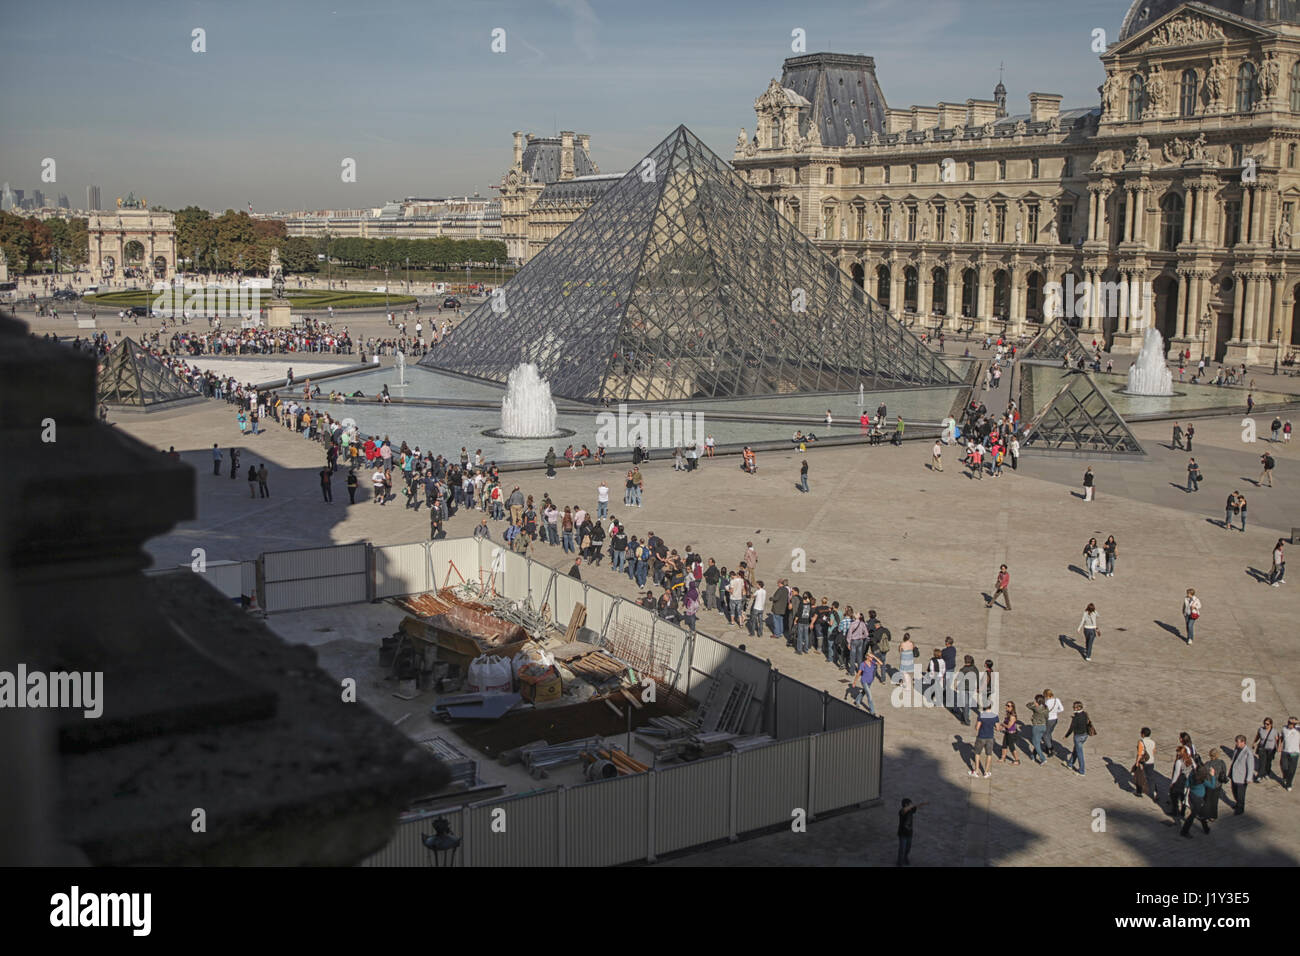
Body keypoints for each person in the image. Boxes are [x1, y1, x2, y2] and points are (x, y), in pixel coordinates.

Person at [1179, 763, 1216, 837]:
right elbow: (1212, 786)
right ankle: (1184, 831)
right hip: (1199, 799)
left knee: (1201, 812)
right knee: (1193, 815)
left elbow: (1186, 784)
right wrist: (1212, 775)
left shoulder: (1191, 776)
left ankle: (1206, 829)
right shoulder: (1203, 781)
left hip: (1192, 795)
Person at [1229, 735, 1256, 815]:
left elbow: (1250, 766)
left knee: (1241, 794)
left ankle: (1240, 808)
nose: (1236, 744)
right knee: (1234, 791)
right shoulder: (1237, 749)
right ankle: (1238, 804)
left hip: (1242, 776)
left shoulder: (1248, 752)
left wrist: (1249, 778)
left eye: (1237, 742)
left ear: (1243, 742)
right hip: (1234, 774)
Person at [971, 703, 999, 778]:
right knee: (989, 754)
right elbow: (997, 728)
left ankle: (976, 771)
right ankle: (986, 772)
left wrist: (976, 725)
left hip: (981, 737)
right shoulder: (995, 716)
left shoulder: (981, 715)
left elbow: (977, 727)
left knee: (977, 753)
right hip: (990, 737)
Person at [1063, 700, 1091, 775]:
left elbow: (1071, 728)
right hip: (1085, 735)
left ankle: (1081, 771)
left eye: (1074, 707)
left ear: (1078, 708)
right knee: (1076, 749)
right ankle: (1070, 764)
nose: (1073, 708)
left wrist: (1066, 735)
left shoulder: (1076, 717)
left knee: (1079, 754)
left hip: (1078, 737)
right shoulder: (1085, 714)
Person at [897, 798, 926, 866]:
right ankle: (899, 862)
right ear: (906, 804)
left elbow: (917, 806)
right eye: (910, 803)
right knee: (902, 849)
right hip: (903, 834)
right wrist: (911, 806)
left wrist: (923, 804)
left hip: (910, 833)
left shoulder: (911, 810)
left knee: (908, 848)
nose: (912, 804)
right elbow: (904, 810)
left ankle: (905, 857)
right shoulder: (902, 811)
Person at [1169, 746, 1195, 820]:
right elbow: (1195, 768)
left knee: (1174, 795)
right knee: (1184, 796)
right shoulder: (1190, 759)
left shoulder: (1179, 762)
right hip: (1188, 780)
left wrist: (1172, 783)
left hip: (1181, 780)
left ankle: (1175, 811)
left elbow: (1176, 774)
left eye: (1178, 752)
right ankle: (1183, 812)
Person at [1254, 718, 1279, 783]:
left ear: (1271, 724)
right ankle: (1259, 776)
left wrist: (1278, 747)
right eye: (1264, 723)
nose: (1265, 725)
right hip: (1262, 748)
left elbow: (1277, 740)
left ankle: (1267, 773)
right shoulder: (1261, 730)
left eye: (1267, 724)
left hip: (1271, 749)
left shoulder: (1274, 731)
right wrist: (1254, 743)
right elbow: (1258, 736)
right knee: (1262, 762)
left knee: (1268, 762)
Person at [1132, 728, 1155, 799]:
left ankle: (1139, 792)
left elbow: (1140, 753)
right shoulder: (1153, 742)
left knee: (1139, 777)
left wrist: (1137, 762)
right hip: (1151, 761)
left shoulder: (1141, 742)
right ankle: (1155, 792)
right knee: (1150, 777)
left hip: (1143, 762)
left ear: (1143, 734)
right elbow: (1153, 751)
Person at [1026, 695, 1049, 764]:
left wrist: (1033, 703)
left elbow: (1027, 705)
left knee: (1035, 743)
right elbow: (1047, 717)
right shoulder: (1045, 708)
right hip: (1043, 726)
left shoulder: (1036, 708)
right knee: (1038, 741)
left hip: (1037, 726)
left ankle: (1043, 758)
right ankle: (1033, 755)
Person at [1280, 716, 1300, 791]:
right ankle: (1285, 776)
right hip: (1285, 751)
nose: (1290, 724)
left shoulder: (1298, 729)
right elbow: (1281, 737)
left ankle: (1289, 783)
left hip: (1295, 752)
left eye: (1291, 723)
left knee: (1292, 770)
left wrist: (1296, 722)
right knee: (1284, 767)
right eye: (1289, 722)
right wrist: (1279, 745)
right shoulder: (1284, 728)